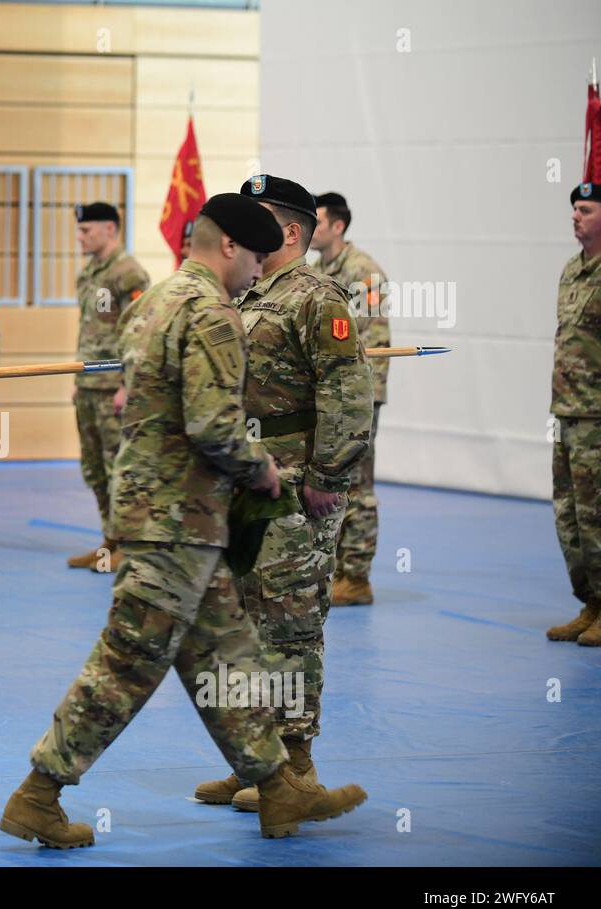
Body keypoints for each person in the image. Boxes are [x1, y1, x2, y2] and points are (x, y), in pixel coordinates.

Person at [0, 194, 367, 847]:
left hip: (162, 510)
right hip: (179, 519)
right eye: (254, 258)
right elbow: (214, 424)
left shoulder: (156, 301)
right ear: (229, 246)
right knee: (128, 662)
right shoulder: (211, 311)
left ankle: (280, 788)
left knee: (225, 654)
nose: (258, 272)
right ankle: (39, 793)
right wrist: (264, 471)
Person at [195, 176, 373, 813]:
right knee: (241, 626)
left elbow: (348, 394)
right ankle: (255, 763)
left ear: (291, 231)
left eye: (260, 220)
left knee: (290, 627)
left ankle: (296, 766)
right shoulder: (241, 293)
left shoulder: (317, 297)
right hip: (244, 482)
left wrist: (328, 477)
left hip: (297, 485)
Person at [310, 192, 392, 605]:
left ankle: (357, 576)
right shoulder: (318, 270)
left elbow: (374, 343)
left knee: (357, 483)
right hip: (327, 397)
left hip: (356, 397)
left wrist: (360, 402)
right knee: (332, 480)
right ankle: (337, 568)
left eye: (318, 221)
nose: (312, 229)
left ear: (338, 226)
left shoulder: (363, 274)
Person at [67, 202, 151, 572]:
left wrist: (127, 385)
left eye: (87, 230)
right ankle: (109, 540)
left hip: (114, 388)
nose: (80, 236)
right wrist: (78, 381)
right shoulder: (88, 273)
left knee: (120, 468)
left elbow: (141, 332)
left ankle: (128, 545)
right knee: (95, 469)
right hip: (89, 385)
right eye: (80, 230)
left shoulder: (129, 273)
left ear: (110, 230)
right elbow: (90, 330)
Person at [547, 181, 601, 647]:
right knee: (570, 515)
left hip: (600, 417)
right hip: (567, 410)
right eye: (574, 210)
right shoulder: (572, 270)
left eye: (585, 210)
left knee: (600, 515)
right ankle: (590, 601)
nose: (575, 217)